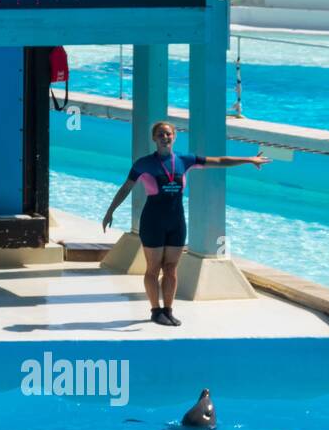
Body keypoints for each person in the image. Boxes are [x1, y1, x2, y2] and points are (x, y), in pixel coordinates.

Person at [102, 121, 269, 326]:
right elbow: (125, 188)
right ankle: (155, 310)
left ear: (174, 137)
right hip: (153, 221)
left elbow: (218, 161)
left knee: (171, 268)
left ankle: (168, 310)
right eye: (161, 135)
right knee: (153, 268)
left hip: (176, 222)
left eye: (168, 134)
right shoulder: (143, 164)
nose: (165, 138)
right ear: (154, 138)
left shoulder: (185, 159)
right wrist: (111, 210)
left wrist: (249, 159)